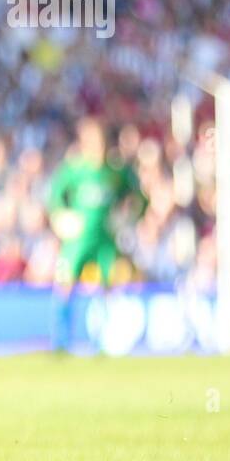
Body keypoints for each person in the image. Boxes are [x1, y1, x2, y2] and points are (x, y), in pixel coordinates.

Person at [47, 117, 148, 352]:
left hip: (105, 241)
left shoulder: (116, 172)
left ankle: (105, 341)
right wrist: (61, 218)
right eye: (92, 142)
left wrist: (129, 219)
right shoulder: (74, 170)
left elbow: (139, 197)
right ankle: (60, 343)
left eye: (101, 142)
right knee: (65, 284)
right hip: (77, 242)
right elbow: (54, 197)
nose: (97, 147)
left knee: (108, 288)